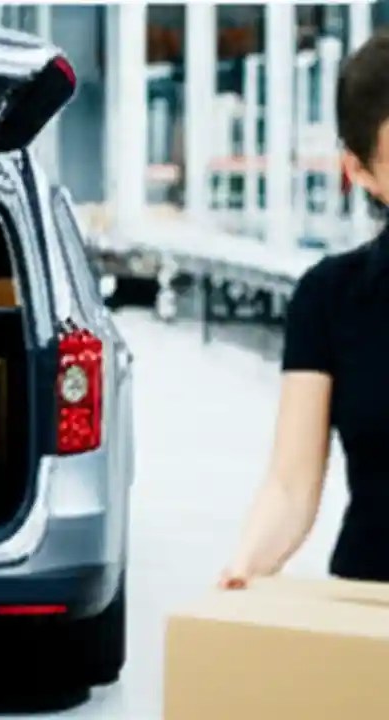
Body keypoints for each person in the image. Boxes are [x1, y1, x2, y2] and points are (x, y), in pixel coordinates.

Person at [222, 32, 389, 587]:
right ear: (360, 171)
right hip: (368, 617)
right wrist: (246, 565)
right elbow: (292, 486)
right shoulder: (331, 297)